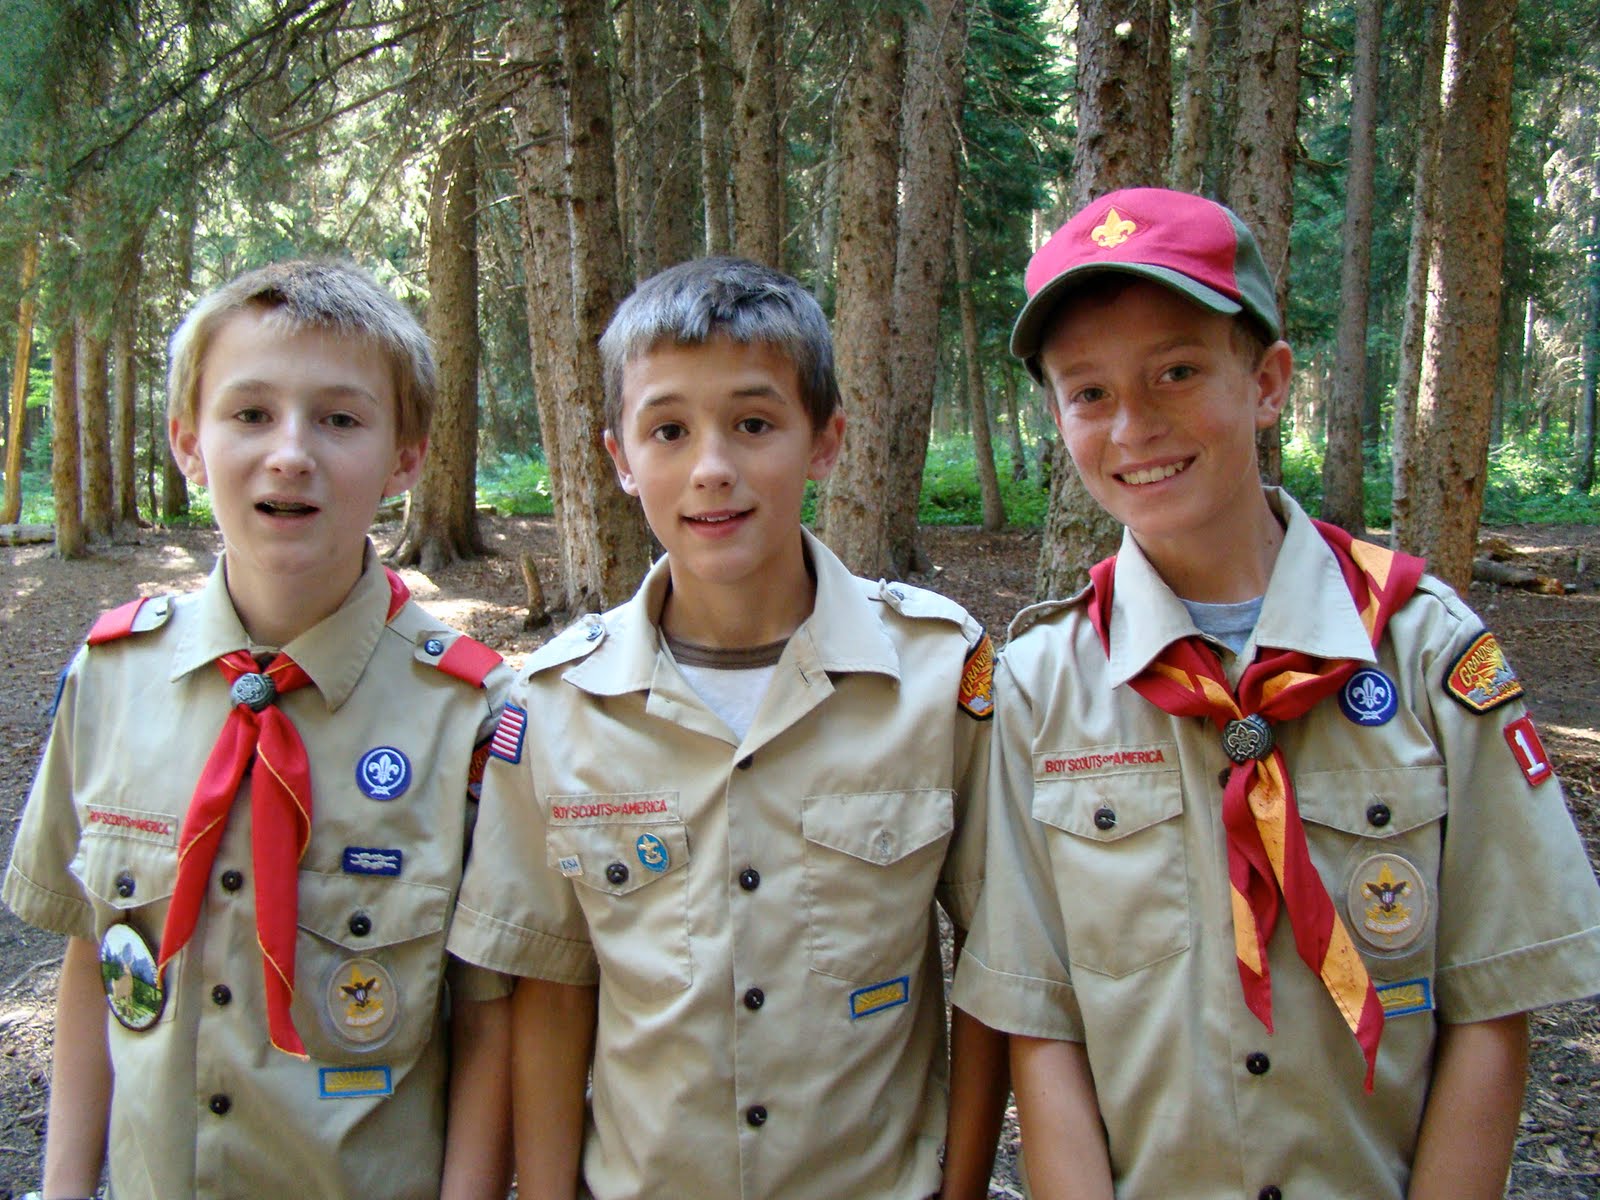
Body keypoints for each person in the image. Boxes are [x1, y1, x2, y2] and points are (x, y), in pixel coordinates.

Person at [951, 187, 1600, 1200]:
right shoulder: (1043, 685)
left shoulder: (1423, 650)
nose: (1134, 425)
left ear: (1266, 383)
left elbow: (1490, 1004)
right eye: (1089, 392)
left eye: (1176, 372)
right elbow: (1042, 1022)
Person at [447, 256, 1008, 1199]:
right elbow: (549, 985)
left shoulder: (936, 675)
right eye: (668, 430)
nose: (712, 469)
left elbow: (997, 958)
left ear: (825, 440)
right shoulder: (556, 706)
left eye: (753, 424)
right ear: (620, 459)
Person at [3, 259, 513, 1200]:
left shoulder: (472, 717)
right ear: (188, 444)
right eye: (249, 413)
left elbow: (490, 1022)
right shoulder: (111, 679)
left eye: (340, 419)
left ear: (407, 459)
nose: (291, 453)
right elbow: (92, 951)